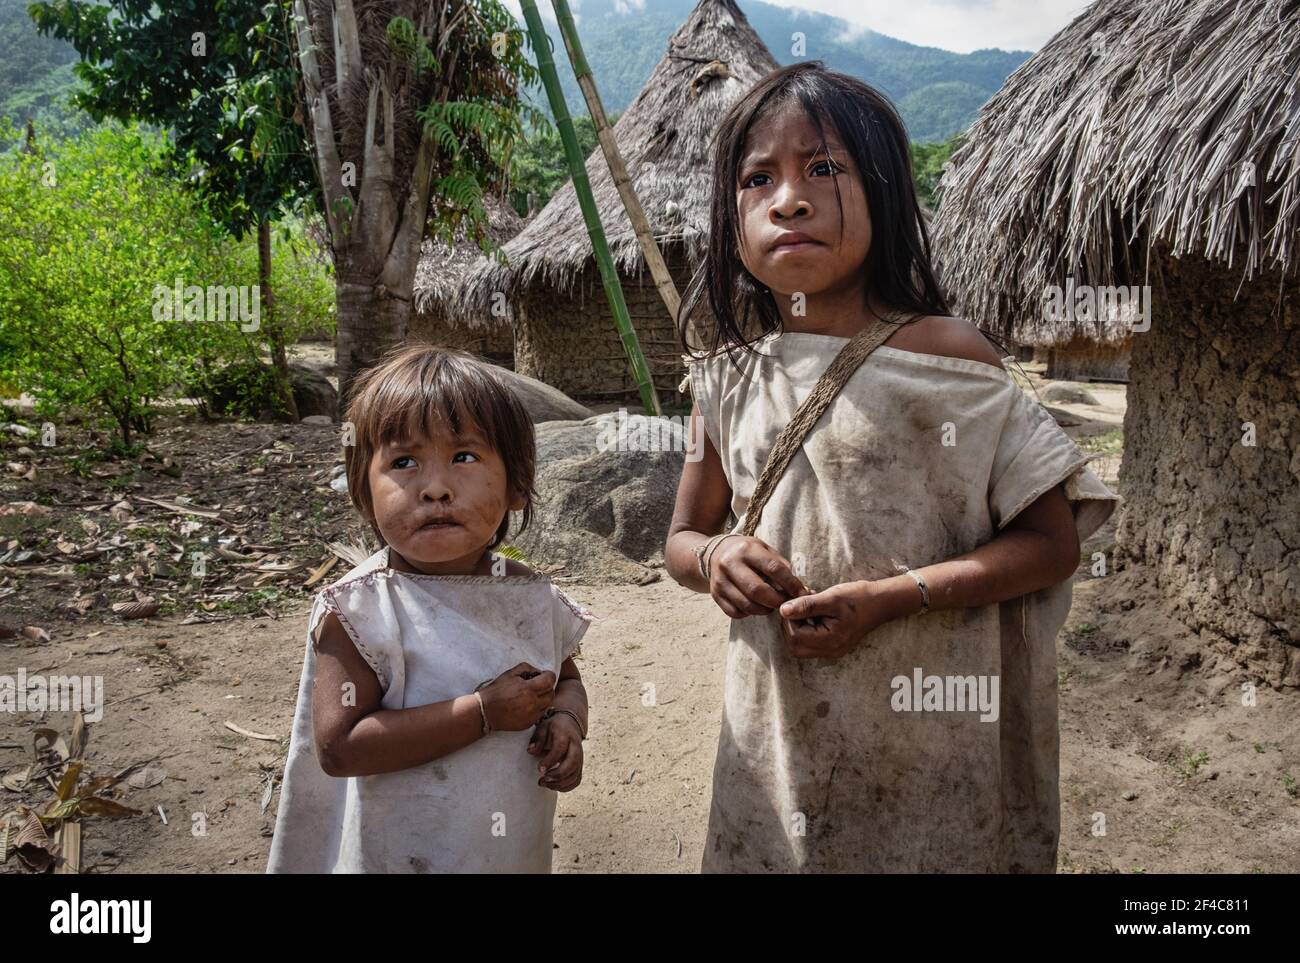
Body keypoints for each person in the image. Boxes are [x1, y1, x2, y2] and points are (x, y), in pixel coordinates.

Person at [665, 62, 1120, 872]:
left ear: (884, 194)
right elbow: (683, 536)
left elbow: (1052, 543)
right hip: (778, 737)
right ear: (727, 216)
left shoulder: (952, 359)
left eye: (825, 169)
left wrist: (890, 598)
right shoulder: (727, 376)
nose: (789, 198)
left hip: (935, 736)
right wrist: (715, 558)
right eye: (757, 177)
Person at [266, 344, 594, 873]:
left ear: (516, 484)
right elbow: (340, 747)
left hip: (503, 847)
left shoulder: (528, 597)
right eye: (403, 462)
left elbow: (566, 678)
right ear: (362, 490)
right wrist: (482, 713)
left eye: (465, 457)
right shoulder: (361, 608)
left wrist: (566, 719)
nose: (435, 488)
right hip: (397, 852)